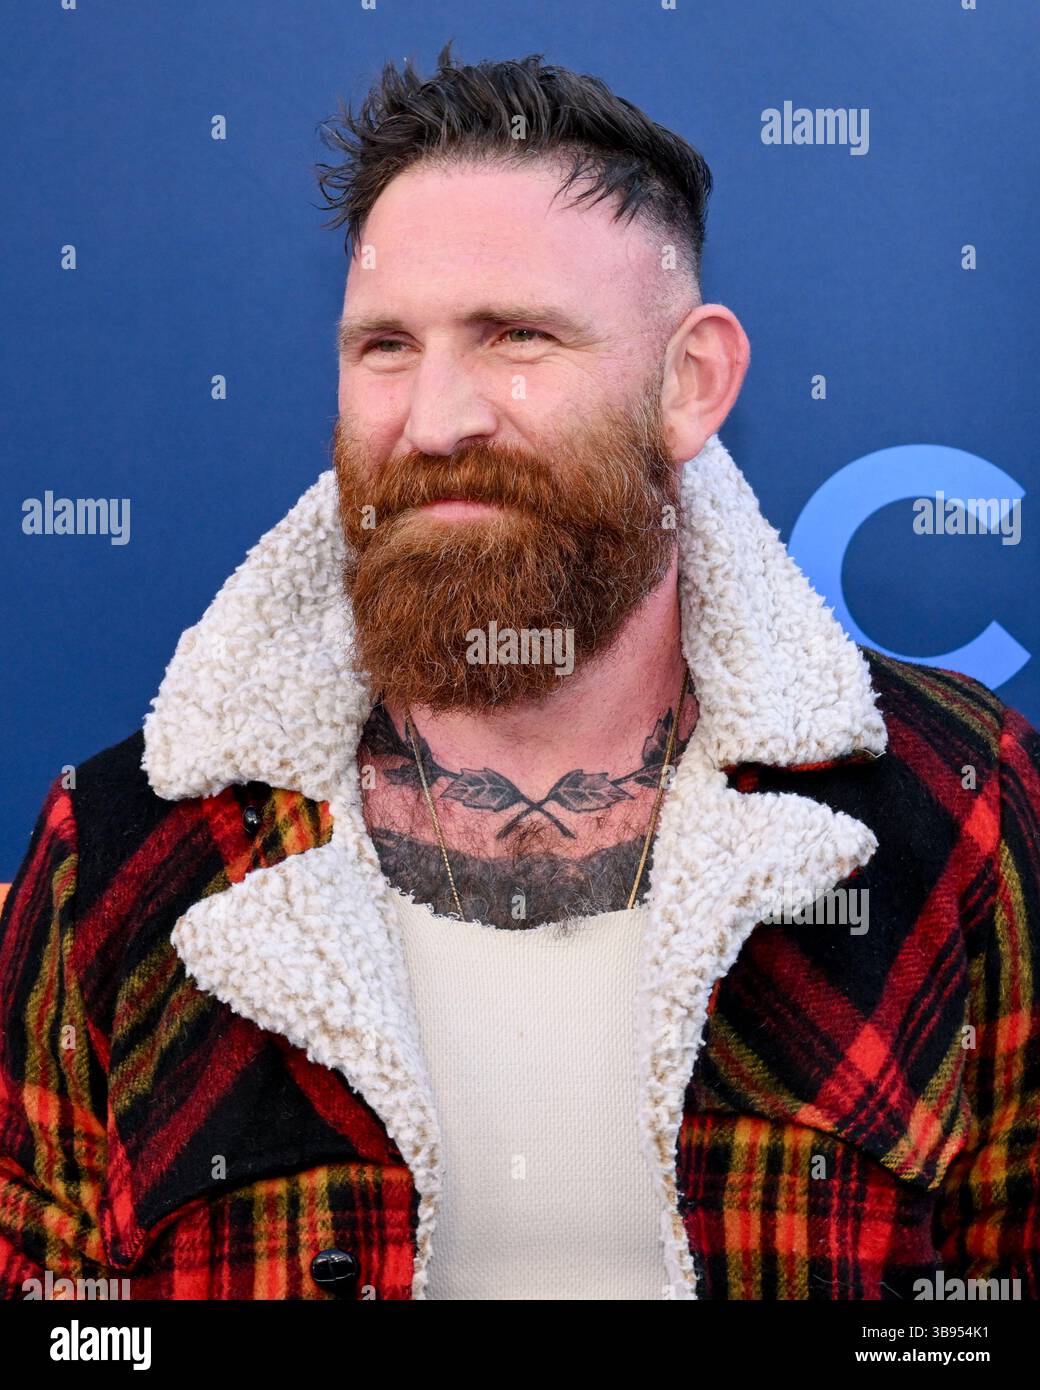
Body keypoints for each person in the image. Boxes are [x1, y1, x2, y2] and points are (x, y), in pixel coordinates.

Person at [1, 44, 1037, 1302]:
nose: (435, 419)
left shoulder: (956, 805)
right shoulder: (116, 855)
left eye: (516, 337)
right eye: (385, 345)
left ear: (689, 382)